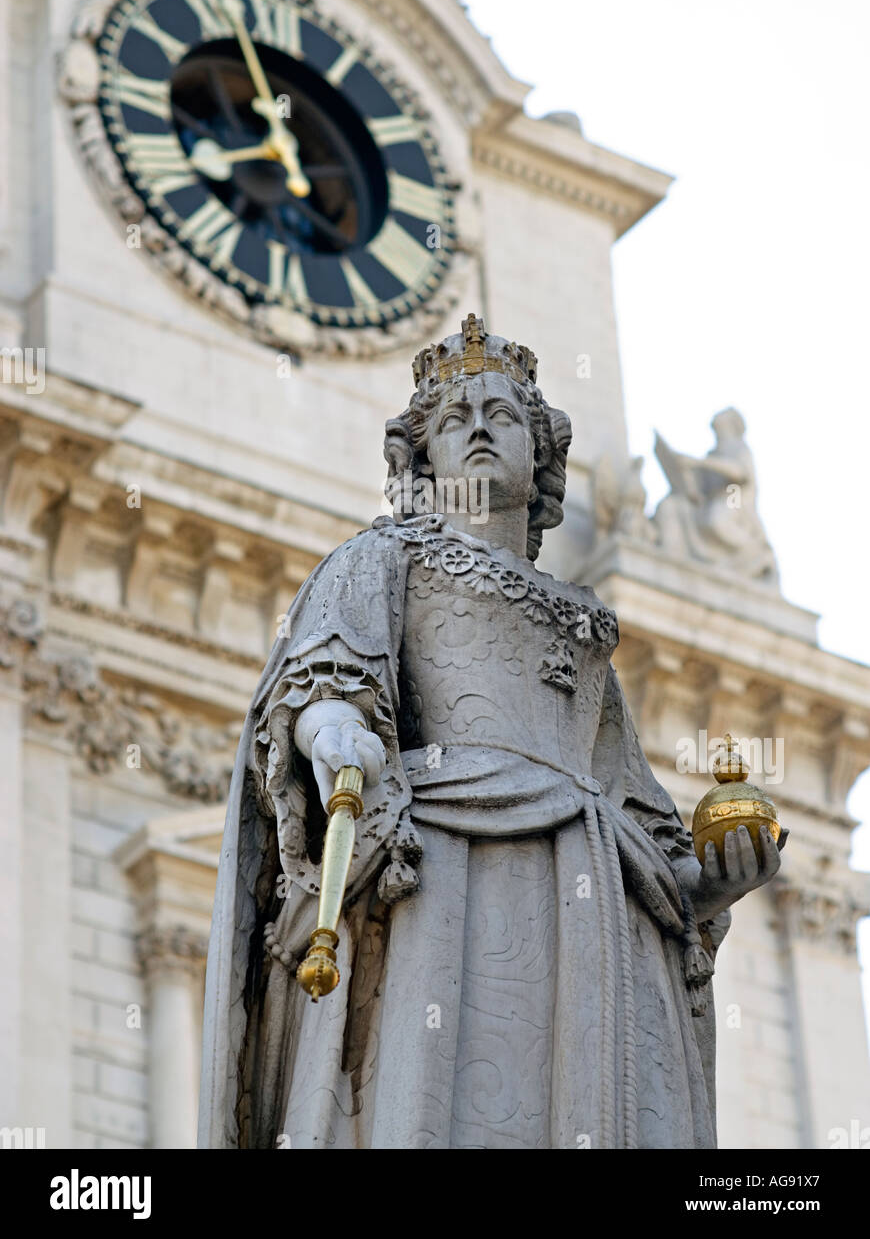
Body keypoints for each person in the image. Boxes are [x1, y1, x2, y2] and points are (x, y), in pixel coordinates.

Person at [199, 316, 782, 1150]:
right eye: (452, 419)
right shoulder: (380, 560)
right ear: (420, 457)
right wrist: (333, 736)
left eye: (502, 416)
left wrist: (708, 887)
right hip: (450, 873)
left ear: (540, 457)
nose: (477, 428)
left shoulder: (586, 628)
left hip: (592, 897)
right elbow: (323, 680)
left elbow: (635, 806)